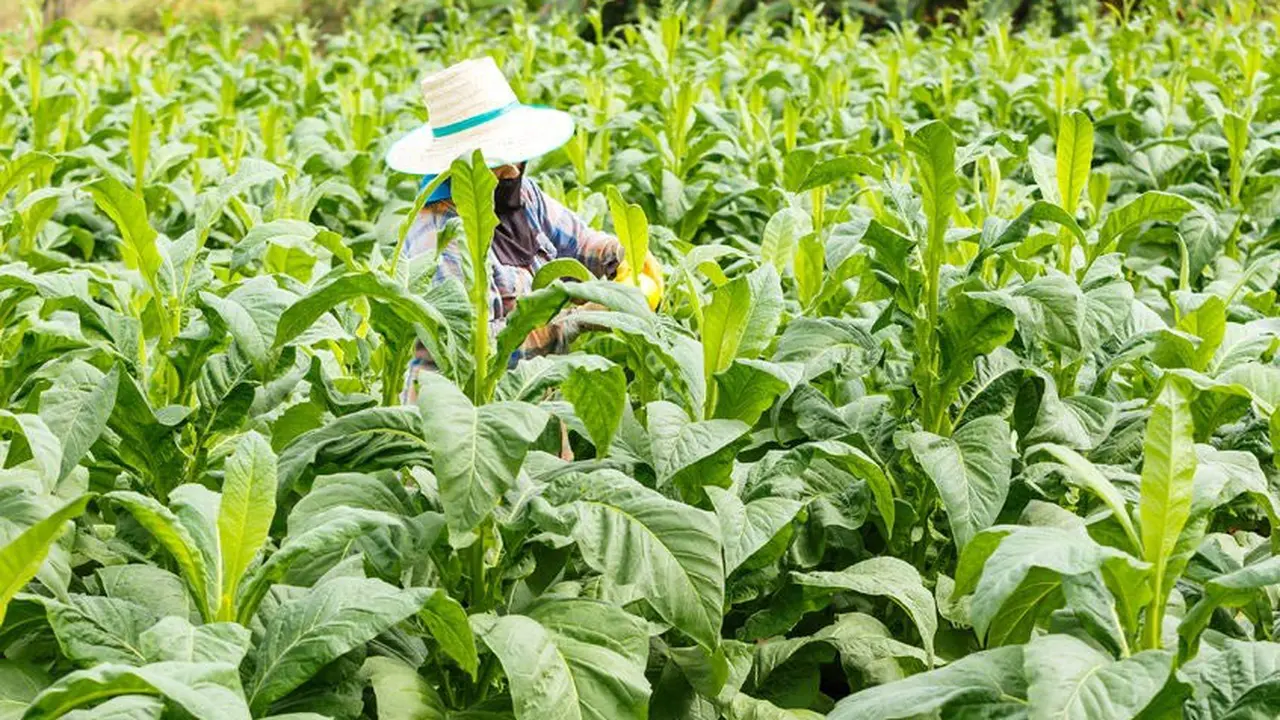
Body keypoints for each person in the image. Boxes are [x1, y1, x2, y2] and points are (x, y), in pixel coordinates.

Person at [385, 56, 662, 403]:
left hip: (529, 401)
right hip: (459, 415)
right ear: (455, 165)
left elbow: (579, 242)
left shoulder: (519, 193)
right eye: (494, 160)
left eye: (513, 152)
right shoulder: (440, 236)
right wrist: (577, 320)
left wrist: (623, 254)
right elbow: (479, 353)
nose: (514, 171)